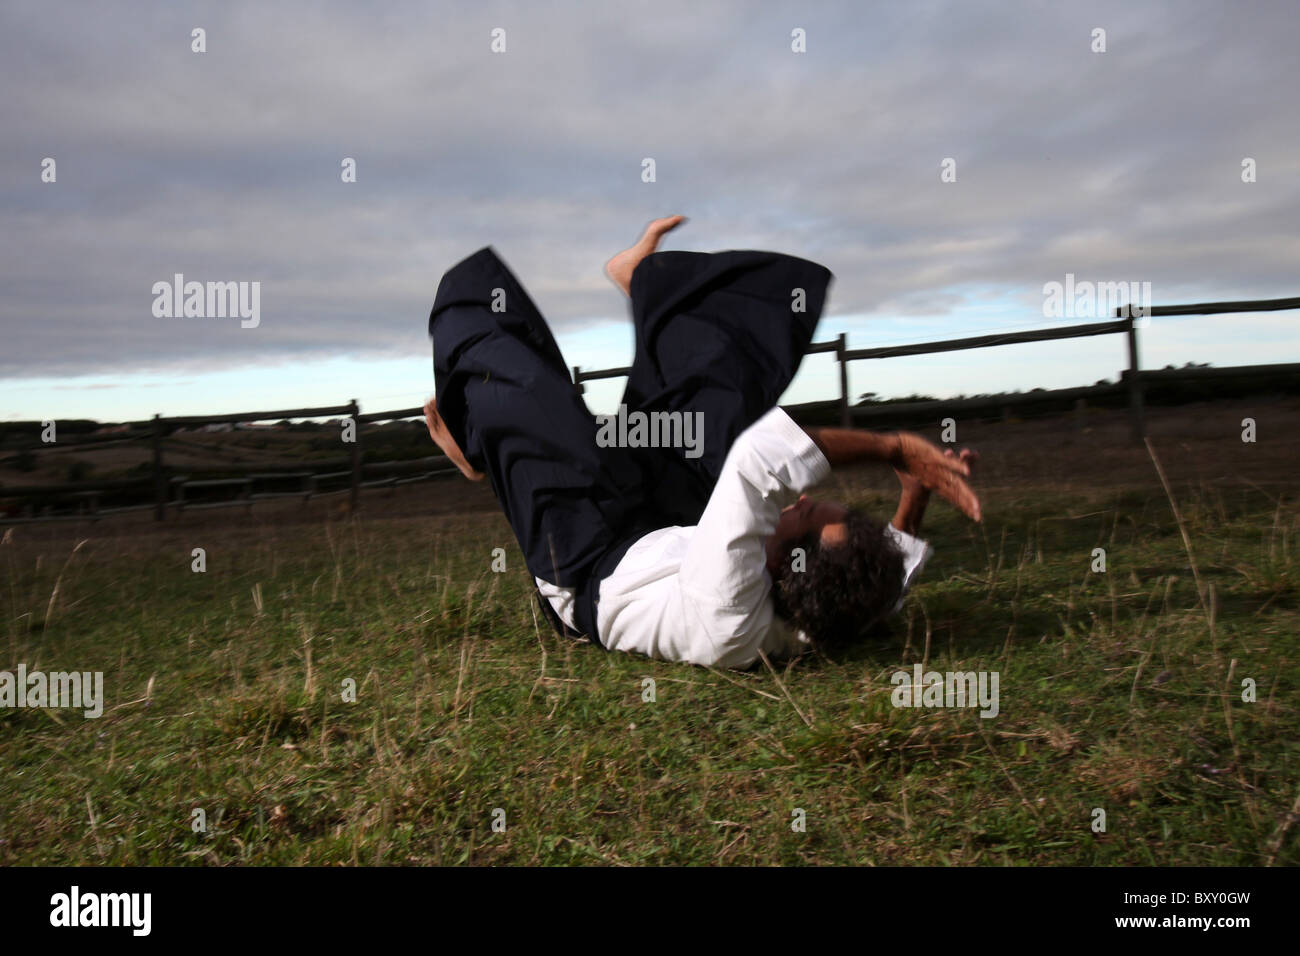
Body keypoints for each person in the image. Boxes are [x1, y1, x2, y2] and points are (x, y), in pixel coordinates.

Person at [424, 217, 980, 669]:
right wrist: (914, 494)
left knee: (526, 394)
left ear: (783, 573)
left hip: (585, 561)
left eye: (807, 524)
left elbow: (760, 459)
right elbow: (885, 592)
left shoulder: (730, 610)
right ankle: (649, 288)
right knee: (711, 412)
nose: (806, 503)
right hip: (668, 522)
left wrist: (896, 451)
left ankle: (478, 449)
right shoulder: (826, 613)